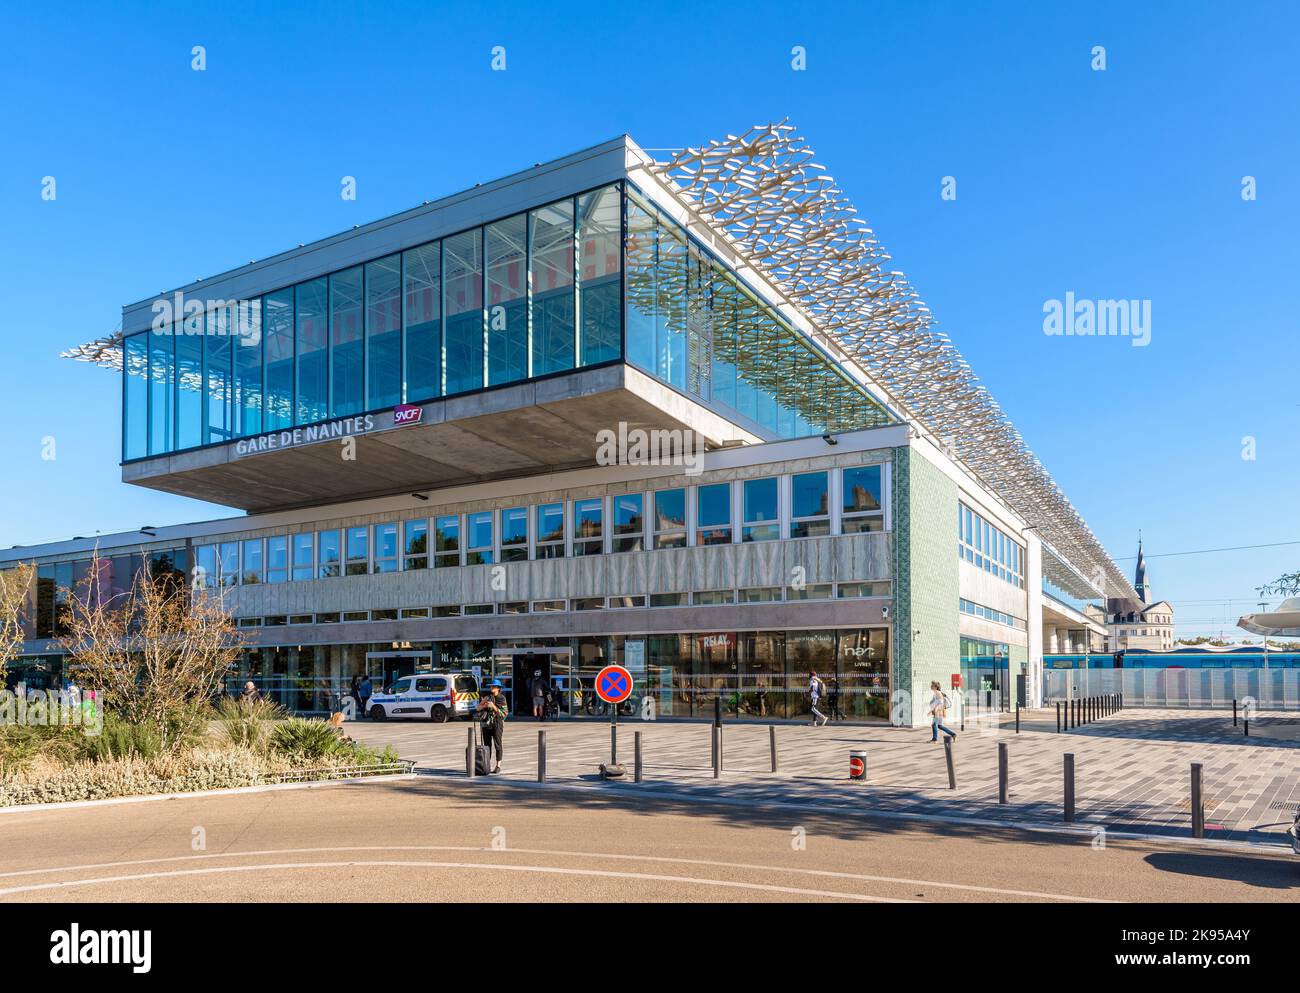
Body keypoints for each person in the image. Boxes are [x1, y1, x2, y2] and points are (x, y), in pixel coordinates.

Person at [477, 680, 508, 773]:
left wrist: (494, 706)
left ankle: (498, 766)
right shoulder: (487, 697)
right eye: (491, 686)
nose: (492, 688)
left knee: (498, 744)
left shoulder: (502, 698)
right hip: (486, 723)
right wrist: (484, 705)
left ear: (498, 688)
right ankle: (487, 765)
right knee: (487, 745)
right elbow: (478, 708)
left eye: (494, 686)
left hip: (497, 723)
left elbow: (504, 714)